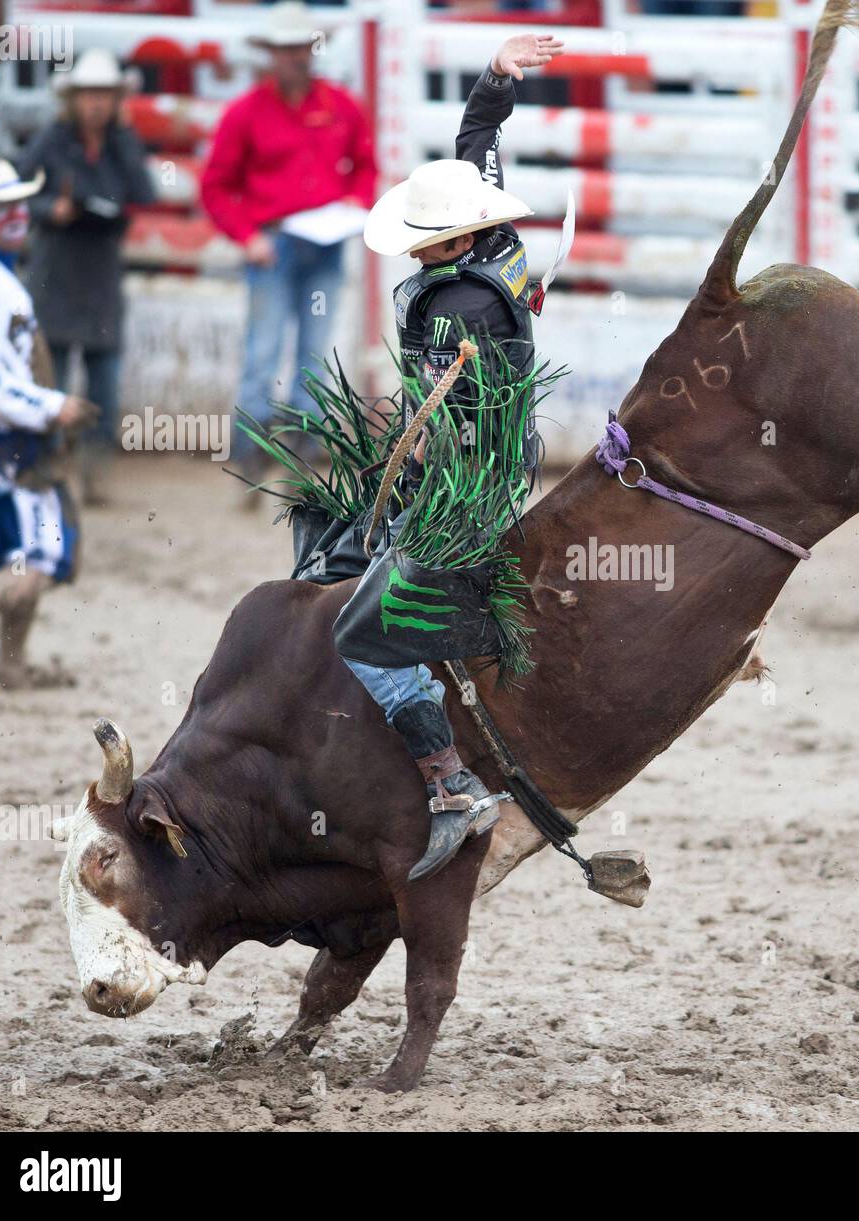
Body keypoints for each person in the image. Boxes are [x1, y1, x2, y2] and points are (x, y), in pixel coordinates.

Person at [336, 31, 563, 883]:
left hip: (466, 486)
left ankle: (449, 783)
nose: (408, 248)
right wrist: (496, 79)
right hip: (501, 459)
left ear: (447, 240)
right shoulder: (496, 244)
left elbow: (440, 421)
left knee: (363, 634)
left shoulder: (452, 313)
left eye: (418, 239)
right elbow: (478, 148)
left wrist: (398, 455)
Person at [200, 1, 377, 476]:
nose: (295, 56)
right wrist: (247, 236)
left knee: (314, 353)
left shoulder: (340, 106)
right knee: (264, 351)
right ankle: (252, 458)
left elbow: (365, 166)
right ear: (271, 55)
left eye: (300, 46)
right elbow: (214, 185)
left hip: (324, 241)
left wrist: (355, 202)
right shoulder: (246, 113)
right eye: (286, 49)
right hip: (272, 245)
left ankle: (302, 456)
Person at [0, 160, 96, 689]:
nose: (19, 215)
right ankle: (7, 657)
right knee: (42, 560)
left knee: (21, 561)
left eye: (22, 203)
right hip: (6, 443)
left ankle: (12, 664)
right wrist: (49, 406)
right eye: (4, 207)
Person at [16, 47, 155, 505]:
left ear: (117, 100)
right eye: (89, 94)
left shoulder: (120, 144)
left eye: (105, 95)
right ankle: (49, 466)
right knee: (49, 382)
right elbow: (16, 192)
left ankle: (95, 473)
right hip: (55, 271)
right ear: (73, 99)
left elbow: (143, 190)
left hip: (99, 275)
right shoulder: (51, 141)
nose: (96, 103)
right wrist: (48, 208)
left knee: (103, 384)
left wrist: (130, 138)